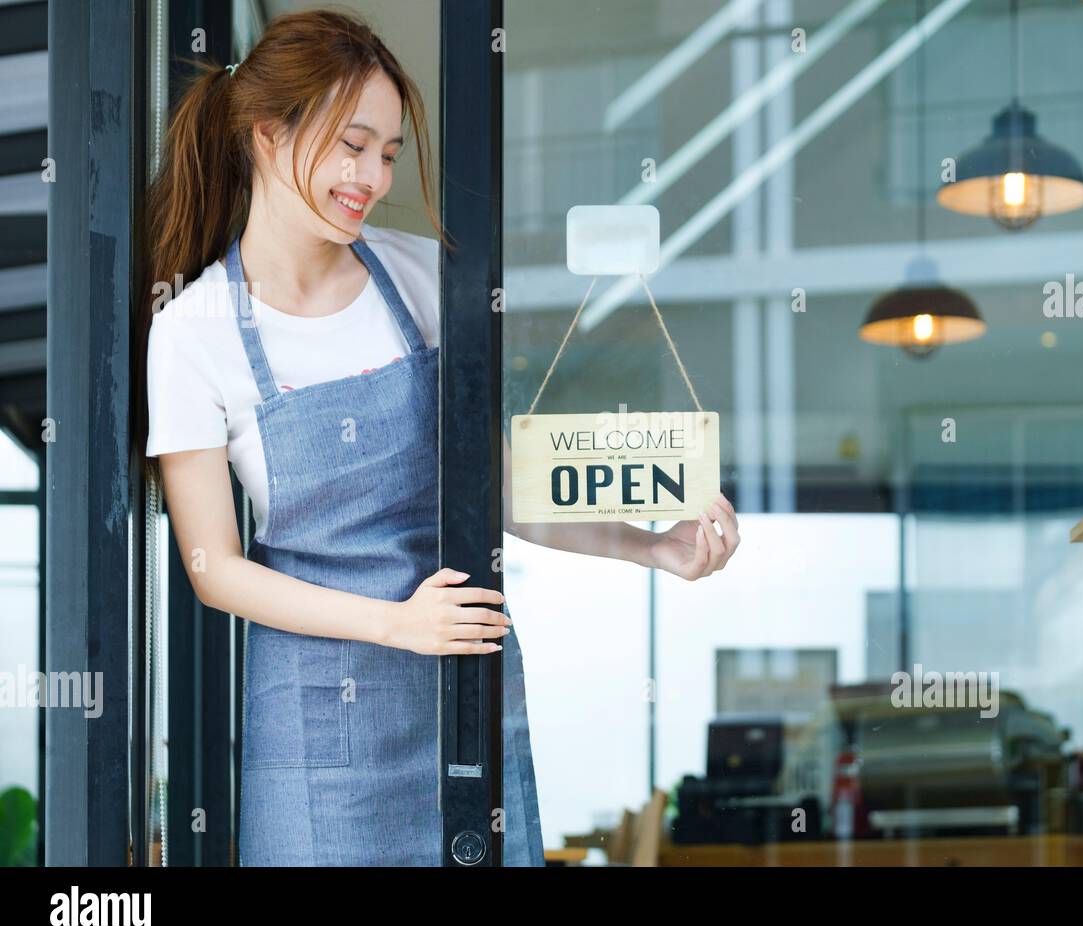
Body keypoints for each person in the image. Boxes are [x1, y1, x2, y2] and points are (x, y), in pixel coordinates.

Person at [138, 8, 740, 866]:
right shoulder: (193, 331)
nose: (374, 177)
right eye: (353, 144)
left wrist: (653, 547)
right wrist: (396, 625)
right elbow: (216, 570)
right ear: (269, 137)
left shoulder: (419, 279)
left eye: (387, 152)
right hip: (316, 730)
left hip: (458, 691)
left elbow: (495, 494)